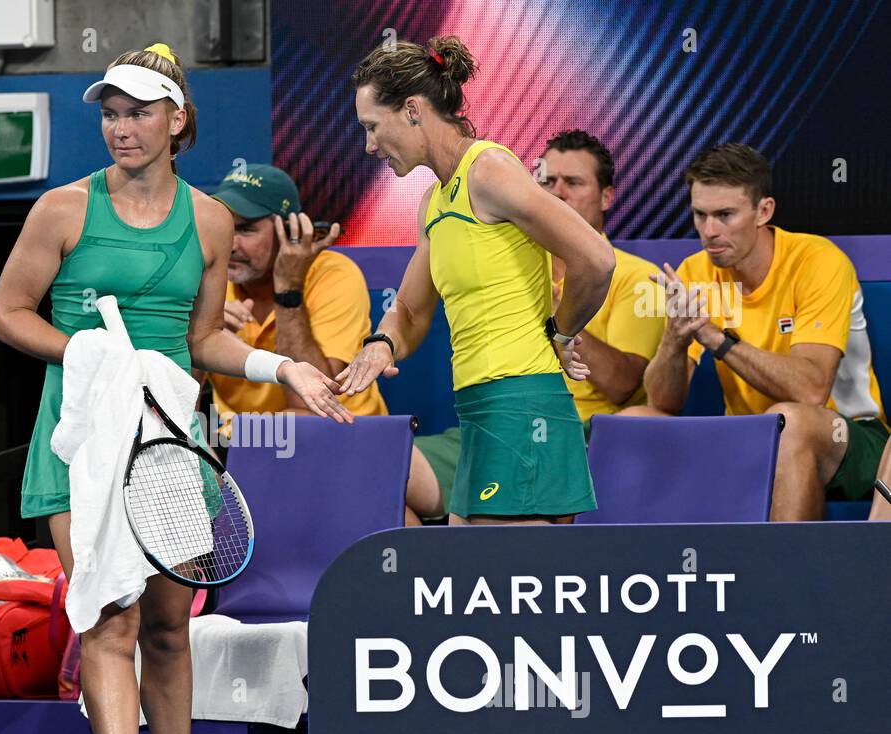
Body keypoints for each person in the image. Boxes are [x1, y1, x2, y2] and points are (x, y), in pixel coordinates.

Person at [0, 43, 349, 734]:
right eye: (111, 113)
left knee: (167, 627)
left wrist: (278, 363)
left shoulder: (212, 221)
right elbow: (9, 313)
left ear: (176, 119)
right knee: (106, 620)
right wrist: (84, 354)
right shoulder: (61, 210)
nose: (121, 128)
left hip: (166, 440)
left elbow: (198, 342)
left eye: (139, 111)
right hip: (83, 435)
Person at [340, 36, 615, 525]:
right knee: (477, 579)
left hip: (521, 405)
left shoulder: (489, 171)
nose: (369, 145)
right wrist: (381, 343)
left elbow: (596, 259)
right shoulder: (437, 201)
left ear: (411, 110)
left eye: (372, 128)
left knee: (507, 589)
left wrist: (561, 333)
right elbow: (409, 309)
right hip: (479, 407)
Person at [405, 129, 664, 523]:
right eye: (545, 181)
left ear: (607, 197)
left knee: (515, 550)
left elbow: (624, 383)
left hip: (575, 425)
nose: (556, 193)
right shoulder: (512, 257)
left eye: (573, 183)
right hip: (487, 416)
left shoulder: (634, 277)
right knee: (388, 470)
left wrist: (563, 317)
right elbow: (410, 306)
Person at [626, 143, 887, 521]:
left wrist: (718, 339)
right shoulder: (694, 272)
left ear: (764, 211)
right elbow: (664, 403)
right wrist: (675, 340)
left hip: (848, 439)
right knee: (637, 421)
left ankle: (786, 575)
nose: (709, 231)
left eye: (725, 215)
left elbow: (810, 390)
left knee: (789, 422)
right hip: (749, 438)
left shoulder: (818, 261)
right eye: (700, 215)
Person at [206, 163, 386, 435]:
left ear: (289, 231)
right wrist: (204, 332)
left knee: (295, 419)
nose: (230, 244)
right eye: (225, 228)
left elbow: (309, 404)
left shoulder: (333, 273)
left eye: (245, 230)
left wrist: (287, 290)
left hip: (344, 434)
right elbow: (177, 401)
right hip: (247, 444)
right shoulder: (208, 277)